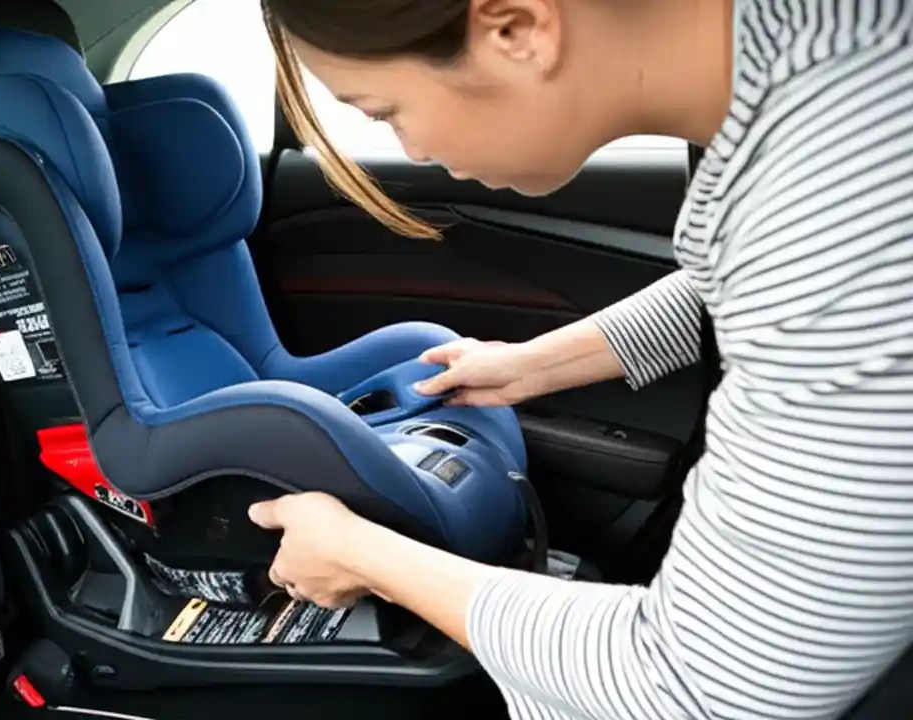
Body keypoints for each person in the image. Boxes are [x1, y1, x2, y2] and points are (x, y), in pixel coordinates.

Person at [245, 1, 913, 718]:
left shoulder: (844, 203)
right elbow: (739, 279)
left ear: (517, 30)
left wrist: (362, 554)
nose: (410, 151)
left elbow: (704, 689)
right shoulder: (828, 52)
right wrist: (534, 364)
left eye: (384, 112)